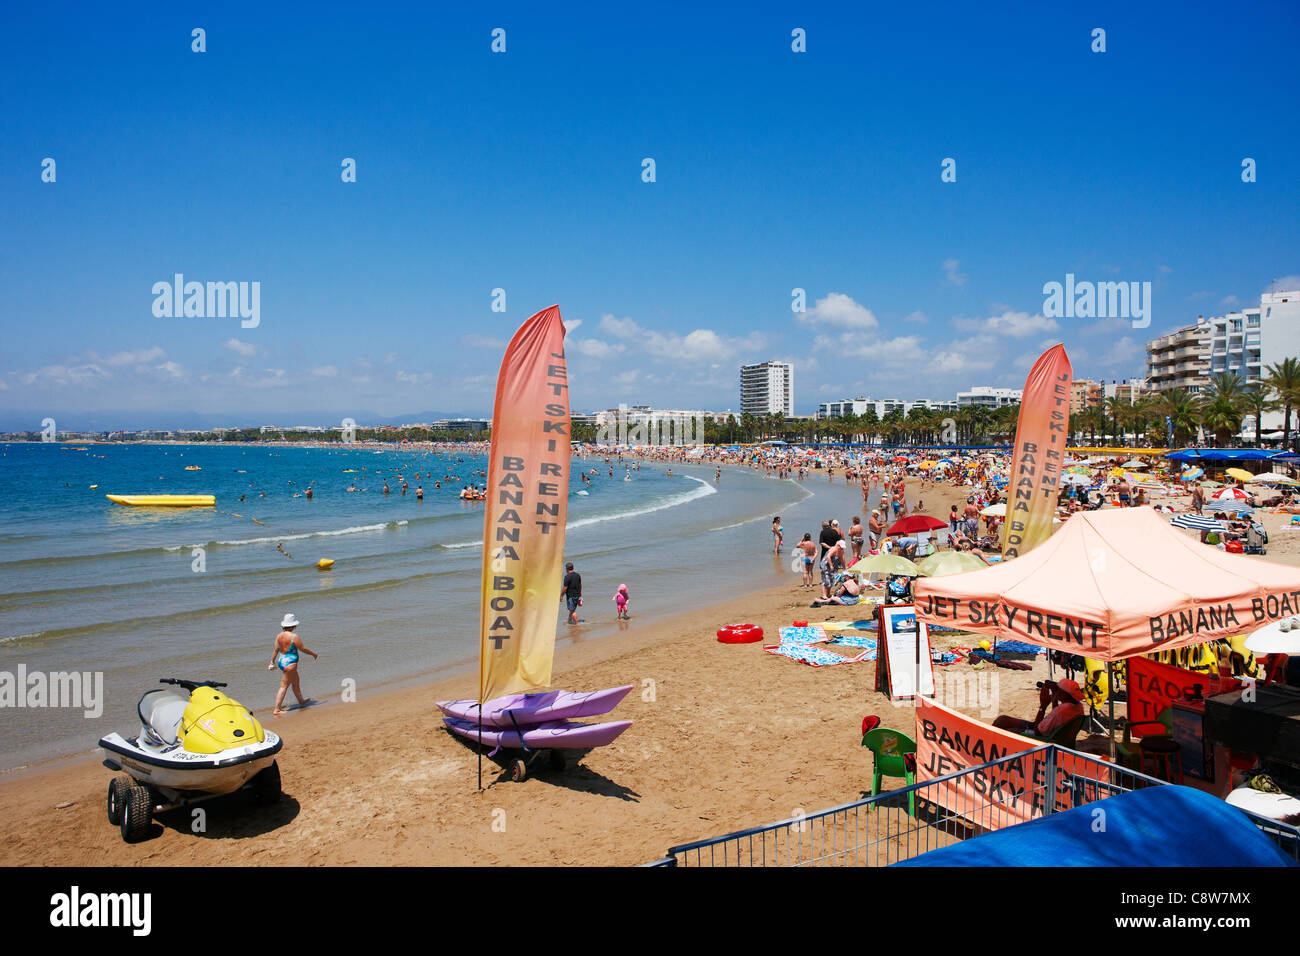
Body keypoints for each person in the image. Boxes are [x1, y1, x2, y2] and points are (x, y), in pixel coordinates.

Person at [993, 679, 1084, 738]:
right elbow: (1055, 719)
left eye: (1059, 690)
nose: (1057, 692)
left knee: (1006, 728)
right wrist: (1054, 701)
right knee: (1003, 720)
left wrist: (1042, 707)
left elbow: (1038, 731)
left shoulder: (1061, 711)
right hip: (1054, 733)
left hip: (1043, 738)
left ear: (1064, 694)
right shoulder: (1078, 707)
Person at [267, 613, 318, 717]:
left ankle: (301, 701)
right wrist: (313, 654)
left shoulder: (279, 636)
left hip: (282, 661)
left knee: (296, 682)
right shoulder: (294, 637)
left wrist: (272, 661)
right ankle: (276, 709)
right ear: (293, 625)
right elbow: (302, 648)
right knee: (284, 686)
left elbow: (276, 650)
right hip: (290, 664)